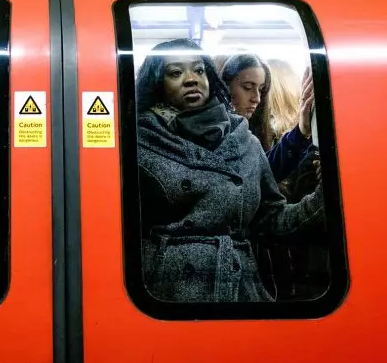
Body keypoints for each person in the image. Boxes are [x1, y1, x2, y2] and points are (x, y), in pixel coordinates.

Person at [135, 38, 324, 303]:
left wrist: (324, 198)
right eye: (176, 72)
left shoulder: (243, 140)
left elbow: (271, 220)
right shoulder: (138, 144)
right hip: (166, 298)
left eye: (199, 70)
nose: (191, 79)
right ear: (157, 84)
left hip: (239, 290)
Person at [221, 53, 315, 183]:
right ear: (225, 87)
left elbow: (262, 173)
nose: (257, 99)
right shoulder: (216, 134)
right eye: (247, 87)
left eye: (261, 90)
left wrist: (301, 132)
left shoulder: (251, 136)